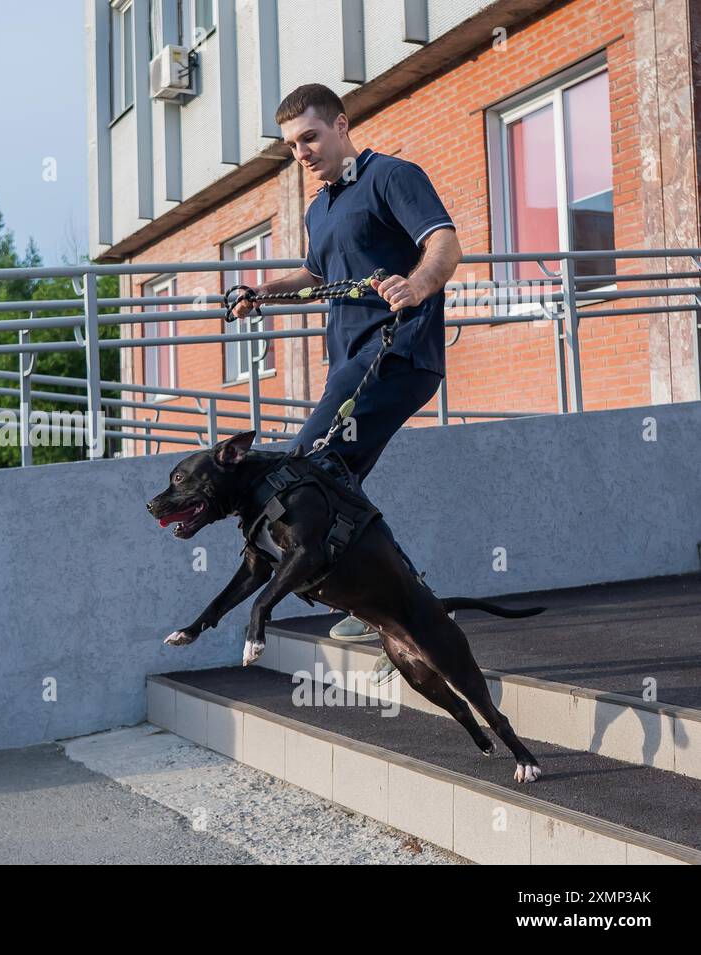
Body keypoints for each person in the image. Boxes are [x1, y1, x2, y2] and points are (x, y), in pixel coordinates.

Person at [231, 83, 462, 683]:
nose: (301, 152)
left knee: (309, 468)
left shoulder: (390, 177)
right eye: (290, 145)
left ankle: (395, 601)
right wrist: (262, 293)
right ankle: (393, 599)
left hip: (396, 353)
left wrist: (417, 287)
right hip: (349, 363)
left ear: (340, 125)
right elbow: (316, 272)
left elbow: (444, 244)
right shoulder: (320, 206)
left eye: (310, 137)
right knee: (332, 476)